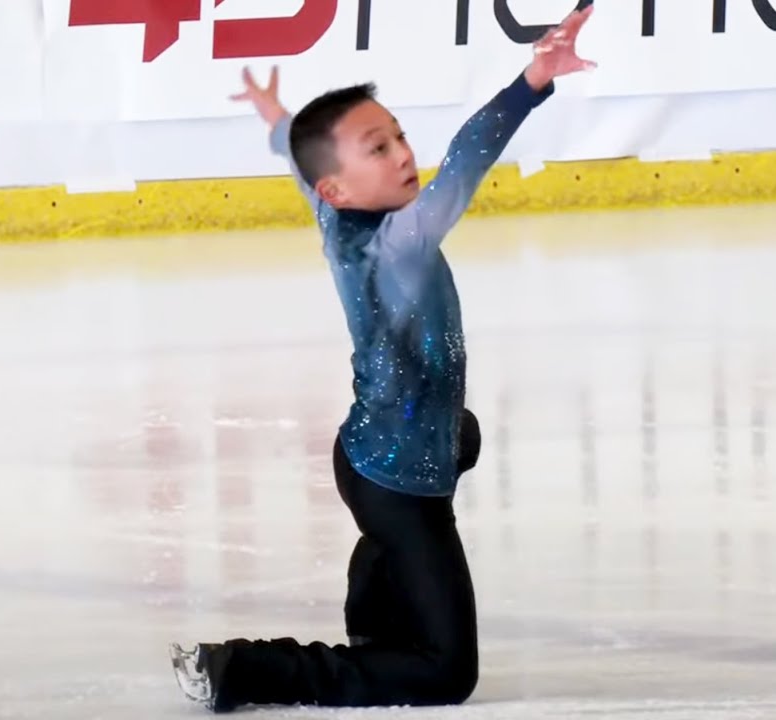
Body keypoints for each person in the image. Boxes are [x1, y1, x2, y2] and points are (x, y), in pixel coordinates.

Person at [171, 5, 596, 712]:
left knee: (461, 435)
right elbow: (467, 159)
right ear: (341, 185)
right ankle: (240, 669)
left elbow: (305, 169)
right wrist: (532, 81)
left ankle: (374, 608)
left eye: (396, 135)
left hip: (384, 447)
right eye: (378, 148)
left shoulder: (334, 206)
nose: (403, 154)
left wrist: (280, 123)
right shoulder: (401, 242)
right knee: (444, 673)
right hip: (401, 482)